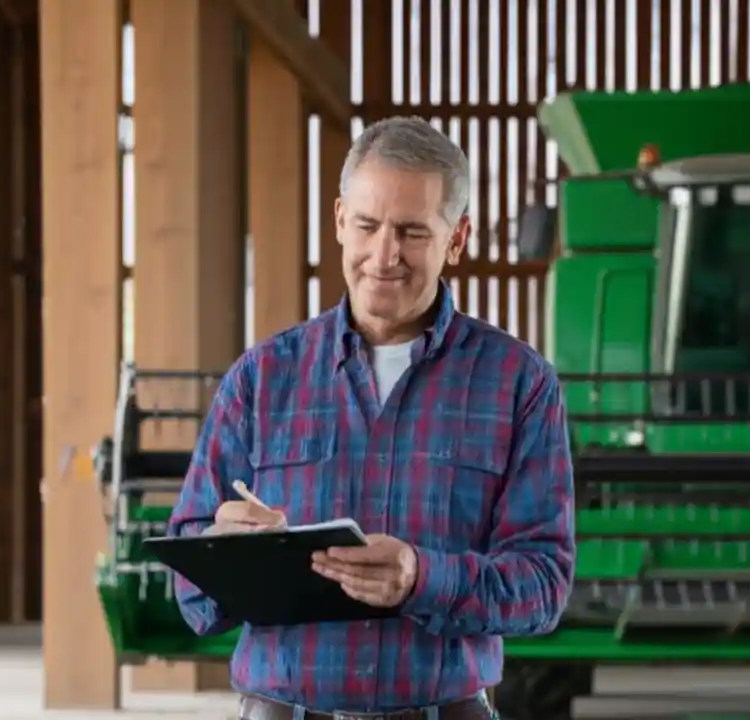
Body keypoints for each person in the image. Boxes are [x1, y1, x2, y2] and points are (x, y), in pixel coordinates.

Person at [166, 115, 576, 719]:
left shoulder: (519, 384)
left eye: (412, 231)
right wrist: (219, 551)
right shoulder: (261, 378)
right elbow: (189, 586)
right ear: (339, 221)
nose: (384, 255)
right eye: (367, 225)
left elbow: (543, 585)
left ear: (456, 239)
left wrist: (421, 578)